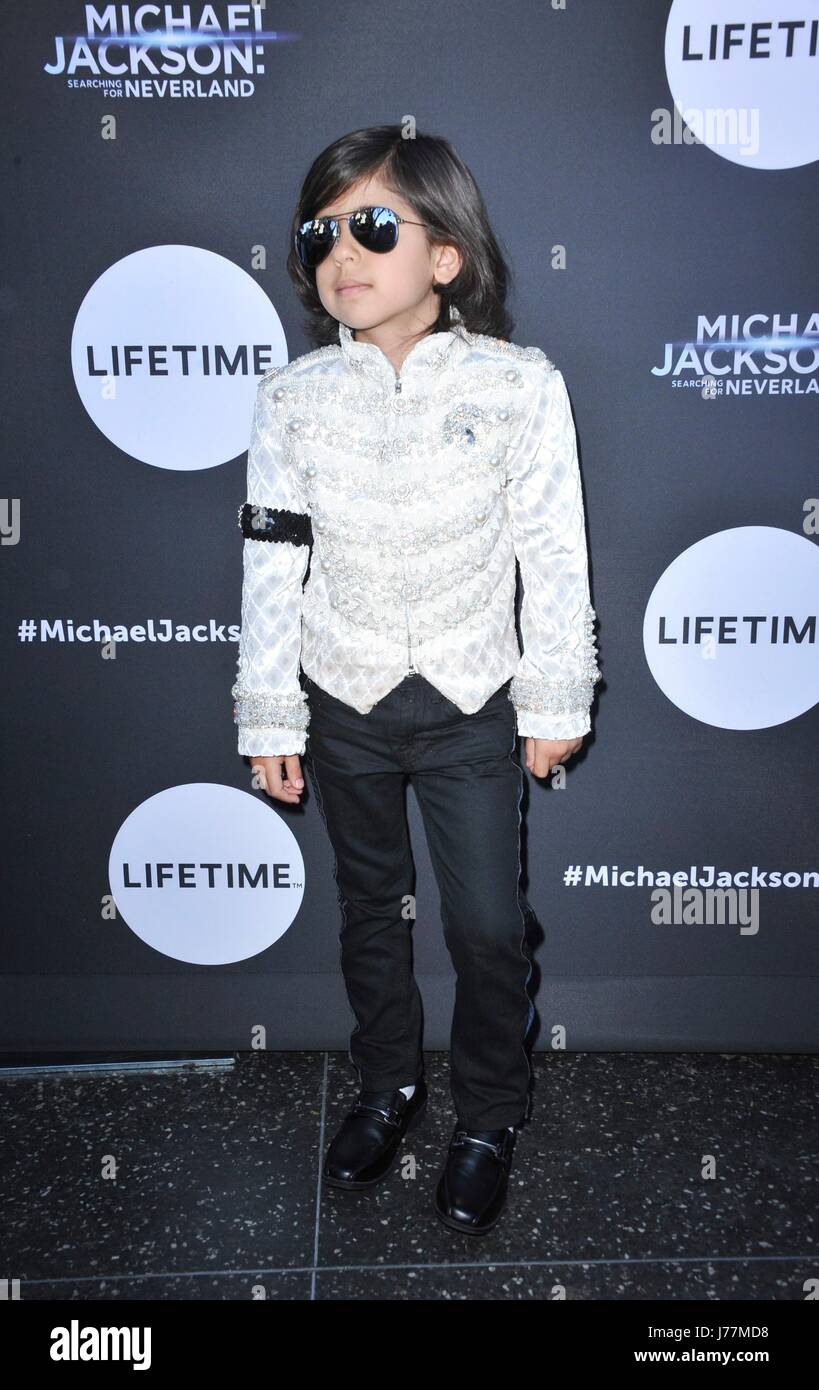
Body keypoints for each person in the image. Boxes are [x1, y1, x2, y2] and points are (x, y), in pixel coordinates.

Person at [232, 125, 602, 1236]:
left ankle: (489, 1114)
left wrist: (555, 698)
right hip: (342, 697)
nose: (343, 253)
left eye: (374, 226)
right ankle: (389, 1083)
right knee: (370, 914)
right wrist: (269, 710)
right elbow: (271, 561)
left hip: (472, 697)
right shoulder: (292, 399)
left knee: (488, 924)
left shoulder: (520, 385)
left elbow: (556, 551)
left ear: (444, 254)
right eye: (321, 233)